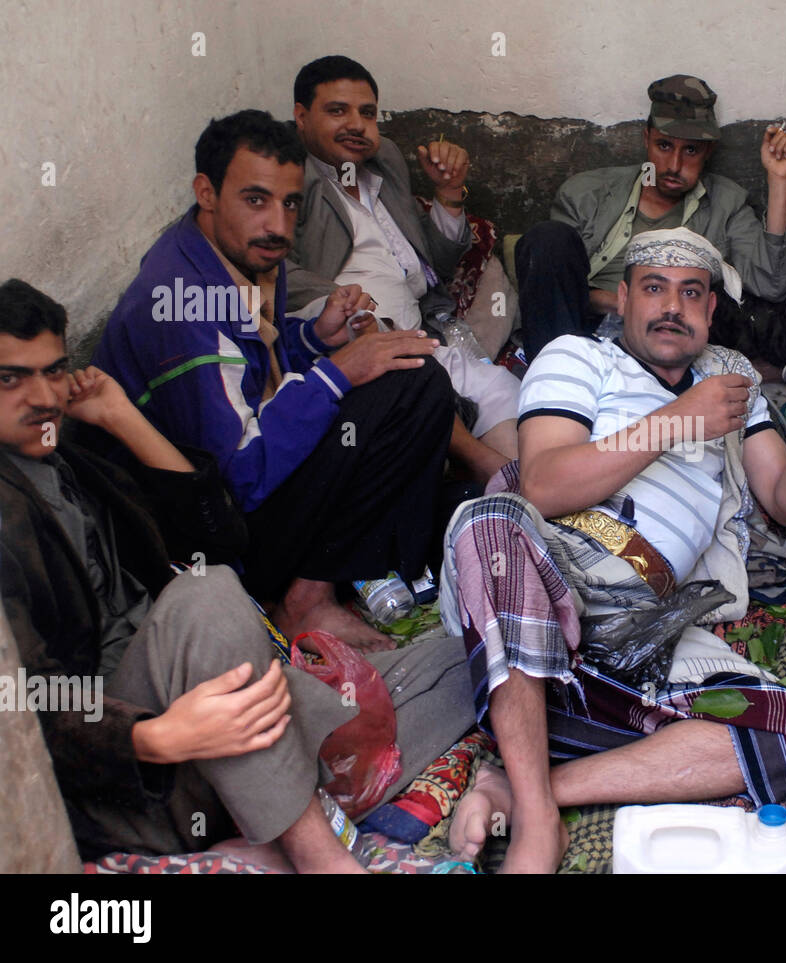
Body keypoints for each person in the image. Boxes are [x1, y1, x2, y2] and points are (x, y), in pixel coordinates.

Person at [0, 279, 473, 870]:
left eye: (53, 371)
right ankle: (317, 851)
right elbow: (19, 711)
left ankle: (278, 799)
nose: (43, 395)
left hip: (214, 705)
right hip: (130, 760)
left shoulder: (69, 462)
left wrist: (121, 416)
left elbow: (218, 534)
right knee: (206, 595)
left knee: (461, 668)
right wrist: (155, 738)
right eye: (11, 379)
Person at [441, 228, 786, 872]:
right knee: (489, 521)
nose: (671, 307)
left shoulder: (730, 377)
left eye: (691, 293)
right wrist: (680, 418)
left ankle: (527, 787)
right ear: (622, 299)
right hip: (546, 582)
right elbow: (540, 484)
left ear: (711, 311)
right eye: (654, 288)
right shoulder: (577, 356)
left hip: (645, 625)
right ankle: (540, 825)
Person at [94, 109, 457, 651]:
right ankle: (302, 602)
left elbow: (254, 363)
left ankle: (349, 570)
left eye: (289, 204)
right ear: (206, 192)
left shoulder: (244, 253)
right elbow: (238, 475)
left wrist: (317, 339)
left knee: (413, 385)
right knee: (411, 385)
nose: (279, 225)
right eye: (256, 199)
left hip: (254, 476)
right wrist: (336, 375)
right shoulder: (179, 306)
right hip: (219, 537)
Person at [286, 55, 519, 479]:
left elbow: (436, 264)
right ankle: (484, 466)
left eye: (367, 113)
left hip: (424, 327)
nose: (356, 124)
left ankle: (514, 503)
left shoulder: (384, 160)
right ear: (301, 117)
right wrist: (343, 306)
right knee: (418, 390)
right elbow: (274, 271)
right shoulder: (291, 176)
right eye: (337, 111)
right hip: (357, 338)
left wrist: (448, 193)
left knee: (503, 389)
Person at [514, 74, 786, 361]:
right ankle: (555, 380)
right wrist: (620, 304)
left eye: (691, 150)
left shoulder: (727, 203)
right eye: (664, 146)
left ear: (708, 152)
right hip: (580, 331)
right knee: (546, 237)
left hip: (668, 342)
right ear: (646, 139)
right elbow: (550, 286)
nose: (674, 165)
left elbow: (772, 286)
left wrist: (778, 181)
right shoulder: (587, 194)